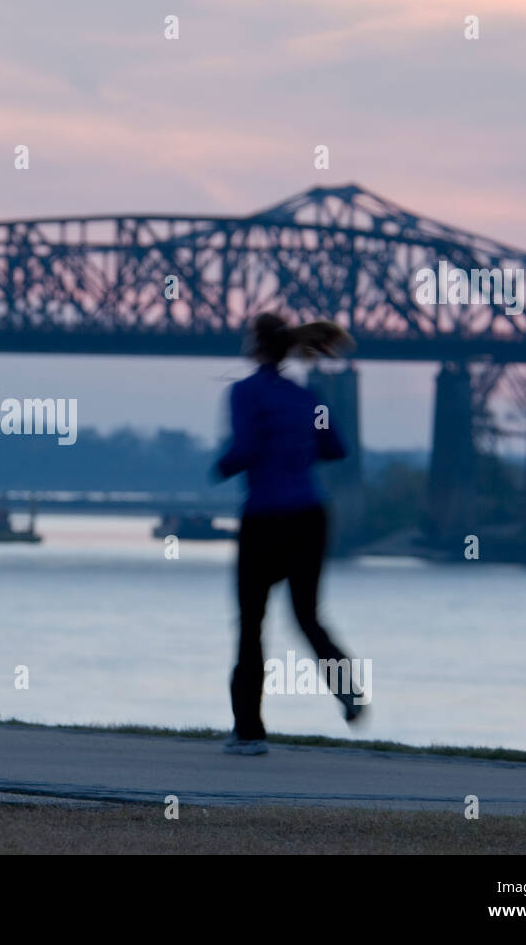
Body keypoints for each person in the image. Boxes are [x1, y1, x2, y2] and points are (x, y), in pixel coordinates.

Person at [212, 312, 364, 755]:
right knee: (307, 616)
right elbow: (334, 447)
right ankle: (348, 691)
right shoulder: (307, 398)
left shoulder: (245, 393)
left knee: (251, 625)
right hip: (309, 516)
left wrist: (222, 466)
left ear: (256, 346)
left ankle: (249, 733)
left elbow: (243, 449)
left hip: (265, 517)